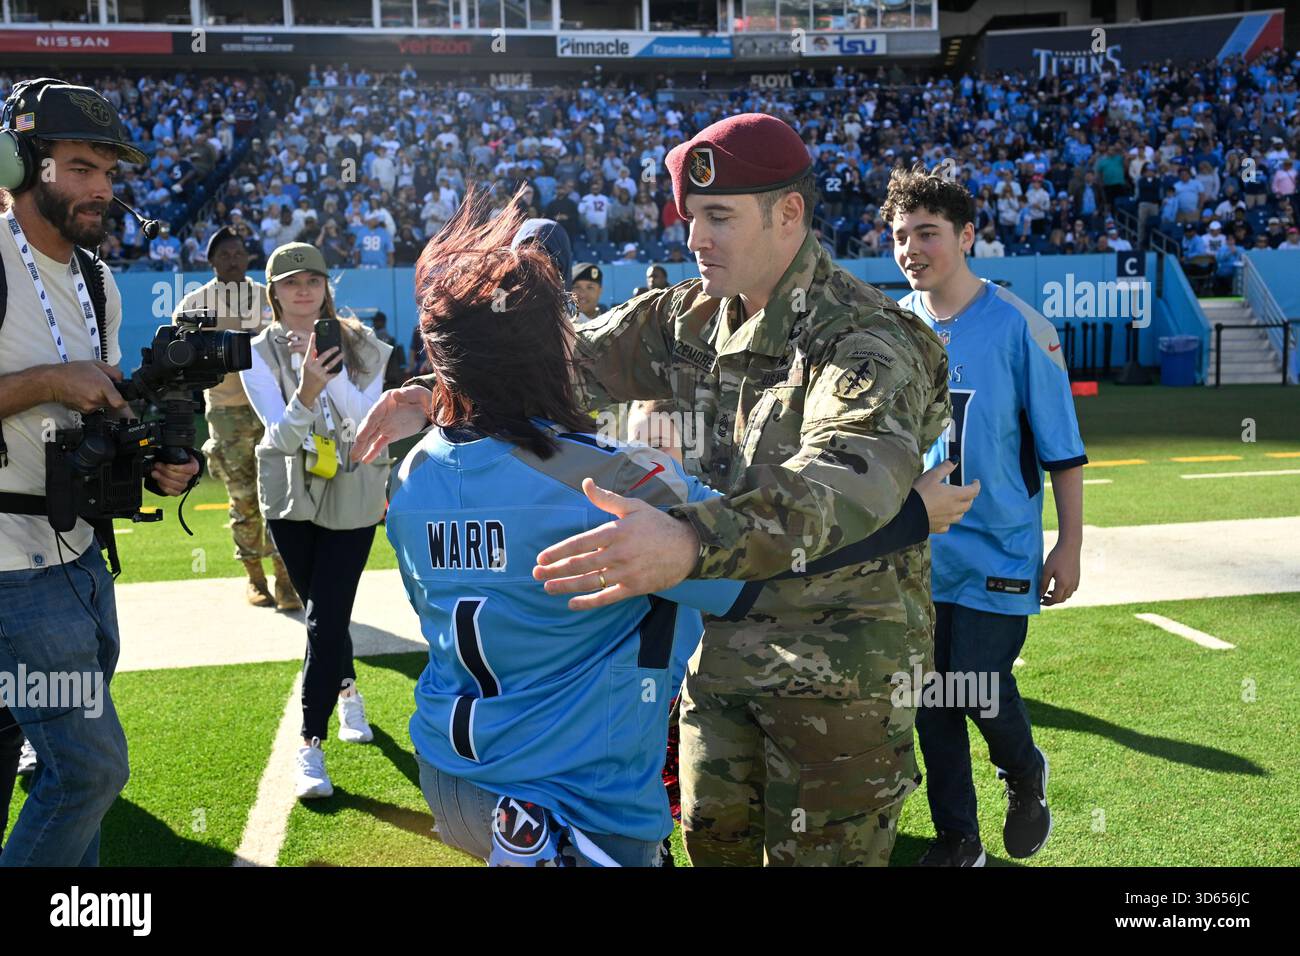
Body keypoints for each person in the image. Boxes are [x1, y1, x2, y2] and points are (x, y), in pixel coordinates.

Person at [363, 115, 954, 866]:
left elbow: (845, 478)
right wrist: (437, 390)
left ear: (790, 215)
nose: (695, 240)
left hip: (835, 681)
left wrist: (690, 541)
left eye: (718, 217)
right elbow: (548, 361)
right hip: (721, 668)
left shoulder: (865, 339)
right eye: (690, 219)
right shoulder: (691, 315)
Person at [0, 78, 200, 866]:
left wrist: (153, 461)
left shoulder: (97, 279)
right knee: (89, 772)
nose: (103, 190)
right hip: (12, 572)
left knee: (40, 766)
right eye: (82, 167)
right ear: (23, 164)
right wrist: (51, 380)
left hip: (83, 559)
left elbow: (105, 411)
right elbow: (66, 385)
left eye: (111, 174)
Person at [887, 164, 1086, 867]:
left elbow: (1063, 450)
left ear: (967, 236)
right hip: (917, 552)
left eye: (928, 234)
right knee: (927, 700)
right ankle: (958, 839)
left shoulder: (1020, 326)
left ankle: (1024, 771)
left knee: (975, 680)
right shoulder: (893, 327)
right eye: (901, 235)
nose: (911, 249)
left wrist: (1069, 545)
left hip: (998, 550)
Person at [239, 242, 394, 800]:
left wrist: (328, 382)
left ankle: (310, 745)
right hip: (290, 489)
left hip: (352, 478)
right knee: (319, 613)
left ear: (327, 286)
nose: (302, 290)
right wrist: (305, 391)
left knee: (327, 618)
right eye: (289, 281)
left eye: (313, 279)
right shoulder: (255, 352)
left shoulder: (364, 346)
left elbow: (366, 423)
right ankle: (348, 687)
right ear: (273, 291)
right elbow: (279, 437)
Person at [173, 225, 299, 610]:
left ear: (249, 258)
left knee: (279, 496)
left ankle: (286, 582)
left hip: (273, 410)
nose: (233, 259)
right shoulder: (196, 303)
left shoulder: (269, 298)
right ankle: (255, 579)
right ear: (210, 261)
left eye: (238, 253)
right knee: (243, 498)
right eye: (224, 254)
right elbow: (181, 356)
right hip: (227, 413)